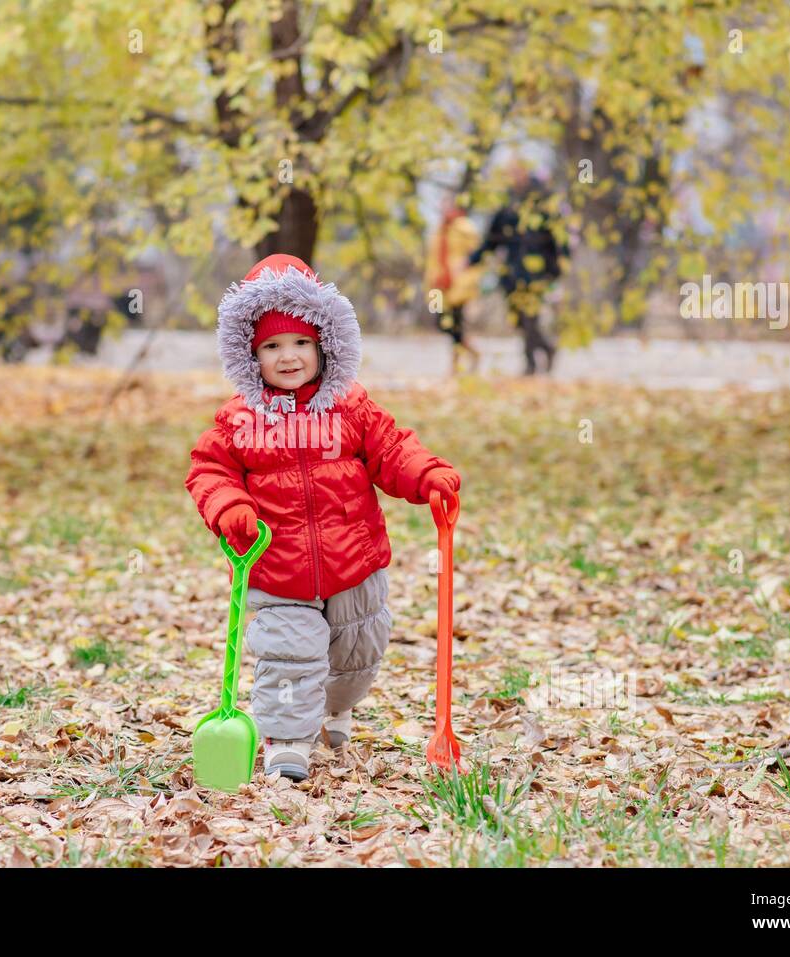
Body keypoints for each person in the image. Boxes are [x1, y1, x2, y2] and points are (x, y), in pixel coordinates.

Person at [186, 254, 462, 782]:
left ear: (324, 345)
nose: (287, 357)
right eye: (271, 346)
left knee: (356, 656)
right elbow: (209, 471)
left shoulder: (352, 409)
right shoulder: (239, 420)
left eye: (300, 343)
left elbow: (393, 450)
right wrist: (231, 507)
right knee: (289, 655)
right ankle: (287, 740)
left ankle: (336, 706)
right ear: (250, 355)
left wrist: (425, 475)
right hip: (275, 567)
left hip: (353, 563)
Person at [469, 171, 567, 375]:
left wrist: (556, 268)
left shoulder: (544, 204)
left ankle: (531, 363)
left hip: (537, 272)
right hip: (511, 273)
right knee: (519, 320)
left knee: (530, 317)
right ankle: (546, 348)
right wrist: (473, 259)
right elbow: (492, 240)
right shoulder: (507, 205)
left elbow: (558, 239)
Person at [423, 195, 484, 374]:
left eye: (447, 204)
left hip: (458, 285)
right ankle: (472, 352)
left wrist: (468, 279)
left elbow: (476, 257)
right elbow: (433, 258)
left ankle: (455, 366)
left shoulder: (465, 228)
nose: (443, 208)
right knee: (441, 323)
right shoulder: (440, 229)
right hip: (438, 286)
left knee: (456, 324)